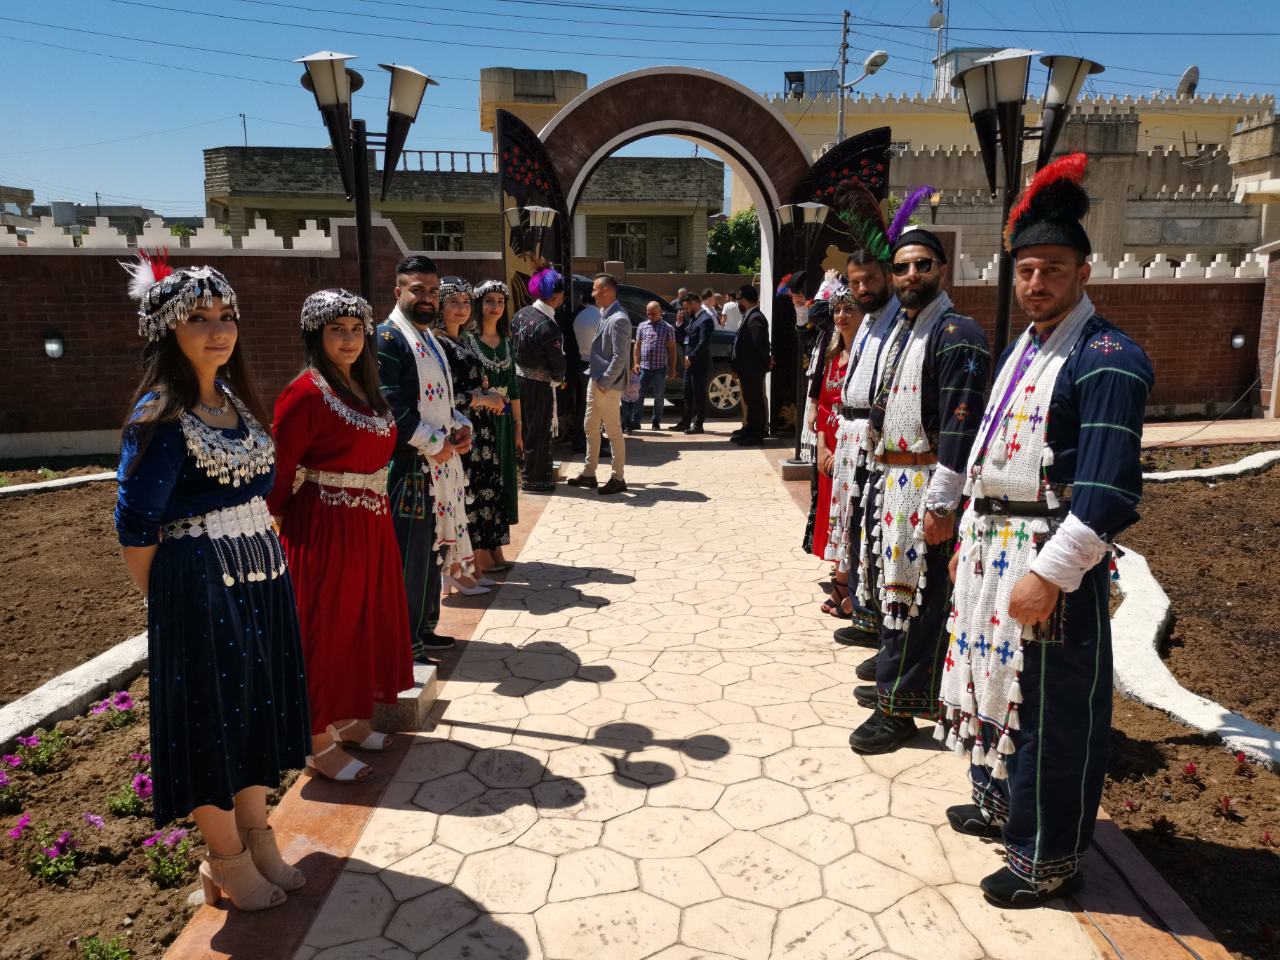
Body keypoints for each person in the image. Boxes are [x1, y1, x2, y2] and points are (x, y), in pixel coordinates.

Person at [938, 154, 1153, 908]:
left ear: (1084, 270)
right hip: (995, 554)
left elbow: (1104, 492)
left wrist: (1048, 573)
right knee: (1000, 692)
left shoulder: (1107, 360)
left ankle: (1048, 854)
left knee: (1054, 712)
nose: (1038, 282)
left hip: (1050, 565)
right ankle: (1003, 804)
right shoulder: (1023, 350)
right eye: (1027, 269)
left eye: (1054, 268)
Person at [115, 256, 309, 911]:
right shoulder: (160, 416)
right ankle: (225, 859)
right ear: (168, 329)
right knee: (210, 722)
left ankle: (255, 840)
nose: (218, 329)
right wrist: (174, 602)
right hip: (198, 587)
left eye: (226, 316)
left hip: (256, 578)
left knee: (253, 711)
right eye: (198, 318)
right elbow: (136, 529)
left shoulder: (232, 400)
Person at [848, 227, 991, 755]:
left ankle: (901, 708)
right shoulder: (909, 329)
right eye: (904, 267)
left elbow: (961, 425)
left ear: (943, 270)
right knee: (898, 594)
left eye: (923, 266)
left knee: (922, 599)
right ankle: (897, 685)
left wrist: (942, 502)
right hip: (896, 481)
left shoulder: (958, 335)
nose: (912, 275)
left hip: (928, 485)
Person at [267, 289, 414, 784]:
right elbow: (279, 473)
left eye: (356, 329)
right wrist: (290, 525)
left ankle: (349, 719)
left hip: (370, 522)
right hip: (325, 525)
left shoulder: (364, 388)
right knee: (324, 632)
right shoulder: (305, 393)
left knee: (360, 623)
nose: (349, 339)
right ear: (316, 335)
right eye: (337, 330)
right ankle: (315, 743)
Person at [377, 254, 468, 658]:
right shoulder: (387, 339)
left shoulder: (429, 338)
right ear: (399, 292)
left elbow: (443, 400)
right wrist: (437, 443)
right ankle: (404, 641)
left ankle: (425, 627)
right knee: (410, 554)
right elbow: (389, 404)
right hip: (409, 467)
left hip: (437, 462)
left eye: (432, 291)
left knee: (432, 549)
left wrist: (459, 425)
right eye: (418, 290)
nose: (427, 298)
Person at [829, 251, 899, 657]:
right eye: (854, 283)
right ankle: (862, 612)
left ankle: (871, 614)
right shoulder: (870, 322)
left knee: (869, 526)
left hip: (872, 436)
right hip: (850, 430)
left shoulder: (894, 322)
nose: (861, 289)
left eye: (868, 279)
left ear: (885, 277)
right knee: (853, 525)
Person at [434, 277, 507, 594]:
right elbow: (447, 396)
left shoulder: (463, 340)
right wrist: (483, 398)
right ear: (440, 306)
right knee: (461, 503)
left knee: (474, 503)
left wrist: (487, 392)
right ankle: (456, 571)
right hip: (459, 432)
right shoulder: (438, 344)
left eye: (465, 302)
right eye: (454, 302)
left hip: (479, 431)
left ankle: (470, 568)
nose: (461, 309)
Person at [465, 279, 521, 572]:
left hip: (504, 422)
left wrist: (519, 426)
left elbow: (513, 388)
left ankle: (496, 544)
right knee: (483, 481)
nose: (495, 307)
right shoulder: (468, 342)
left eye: (500, 301)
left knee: (502, 480)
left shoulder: (508, 343)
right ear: (479, 304)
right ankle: (480, 549)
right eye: (489, 301)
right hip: (480, 422)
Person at [568, 273, 631, 495]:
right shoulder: (606, 314)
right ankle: (589, 473)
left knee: (613, 431)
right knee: (589, 427)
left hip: (606, 385)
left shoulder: (619, 318)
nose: (592, 294)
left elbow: (619, 357)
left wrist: (604, 382)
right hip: (595, 379)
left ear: (607, 291)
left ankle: (618, 478)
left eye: (595, 290)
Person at [812, 289, 856, 572]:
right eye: (837, 310)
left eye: (848, 310)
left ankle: (847, 564)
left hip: (849, 442)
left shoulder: (864, 356)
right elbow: (824, 402)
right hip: (827, 438)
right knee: (829, 500)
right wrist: (821, 445)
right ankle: (836, 558)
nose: (841, 316)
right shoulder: (832, 353)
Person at [512, 267, 567, 493]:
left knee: (525, 427)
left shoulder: (520, 314)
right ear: (556, 297)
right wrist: (559, 379)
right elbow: (557, 364)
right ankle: (535, 480)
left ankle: (528, 474)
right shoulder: (549, 327)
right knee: (539, 431)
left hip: (518, 380)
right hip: (539, 384)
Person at [729, 284, 771, 446]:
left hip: (753, 369)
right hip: (747, 369)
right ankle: (750, 429)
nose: (738, 302)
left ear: (745, 300)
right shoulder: (750, 316)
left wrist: (766, 360)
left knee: (755, 402)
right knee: (750, 401)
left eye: (739, 299)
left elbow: (760, 345)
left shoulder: (756, 318)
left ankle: (756, 433)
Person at [632, 300, 677, 430]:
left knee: (659, 397)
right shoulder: (642, 326)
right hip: (644, 368)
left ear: (660, 312)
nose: (650, 316)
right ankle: (636, 420)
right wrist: (635, 363)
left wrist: (672, 368)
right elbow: (637, 345)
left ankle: (656, 421)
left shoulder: (667, 328)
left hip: (660, 369)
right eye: (648, 313)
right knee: (638, 395)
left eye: (653, 313)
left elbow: (673, 349)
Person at [675, 290, 715, 433]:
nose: (685, 311)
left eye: (686, 308)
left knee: (699, 395)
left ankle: (699, 424)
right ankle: (686, 421)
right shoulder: (694, 318)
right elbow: (686, 336)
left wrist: (691, 357)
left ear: (694, 304)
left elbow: (703, 343)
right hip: (689, 364)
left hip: (699, 364)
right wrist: (679, 325)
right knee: (687, 394)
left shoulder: (706, 319)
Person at [569, 291, 600, 454]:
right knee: (594, 407)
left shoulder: (579, 316)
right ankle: (592, 443)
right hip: (594, 365)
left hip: (580, 363)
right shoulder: (599, 317)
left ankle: (579, 441)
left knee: (582, 406)